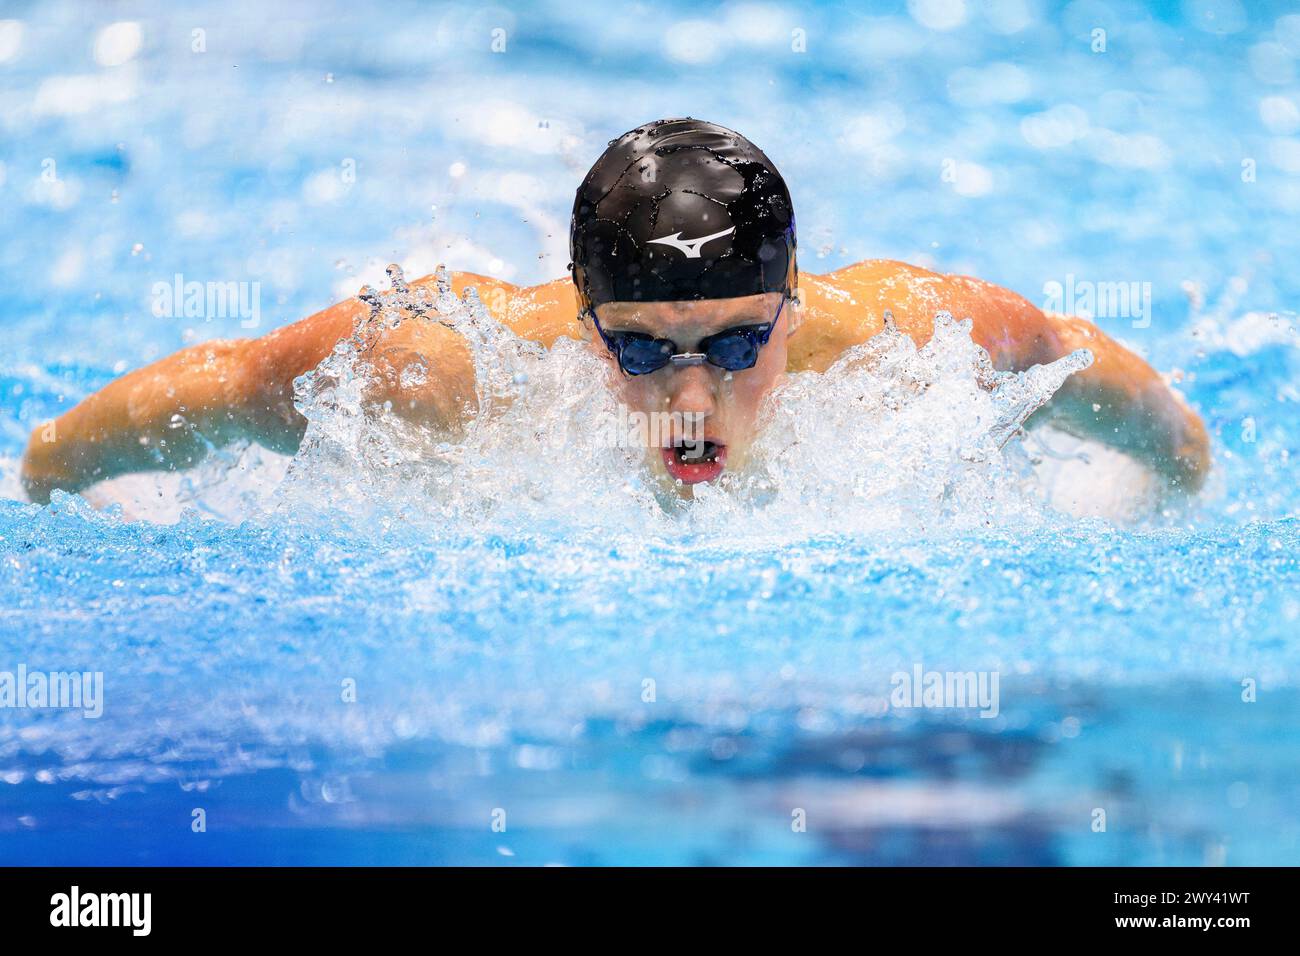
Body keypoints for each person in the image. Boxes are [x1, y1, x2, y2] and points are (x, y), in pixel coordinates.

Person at [20, 118, 1209, 505]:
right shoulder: (438, 373)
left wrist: (1174, 482)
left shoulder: (911, 338)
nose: (689, 400)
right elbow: (223, 382)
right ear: (584, 320)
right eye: (640, 350)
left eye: (738, 342)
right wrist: (36, 484)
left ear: (794, 306)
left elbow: (1097, 374)